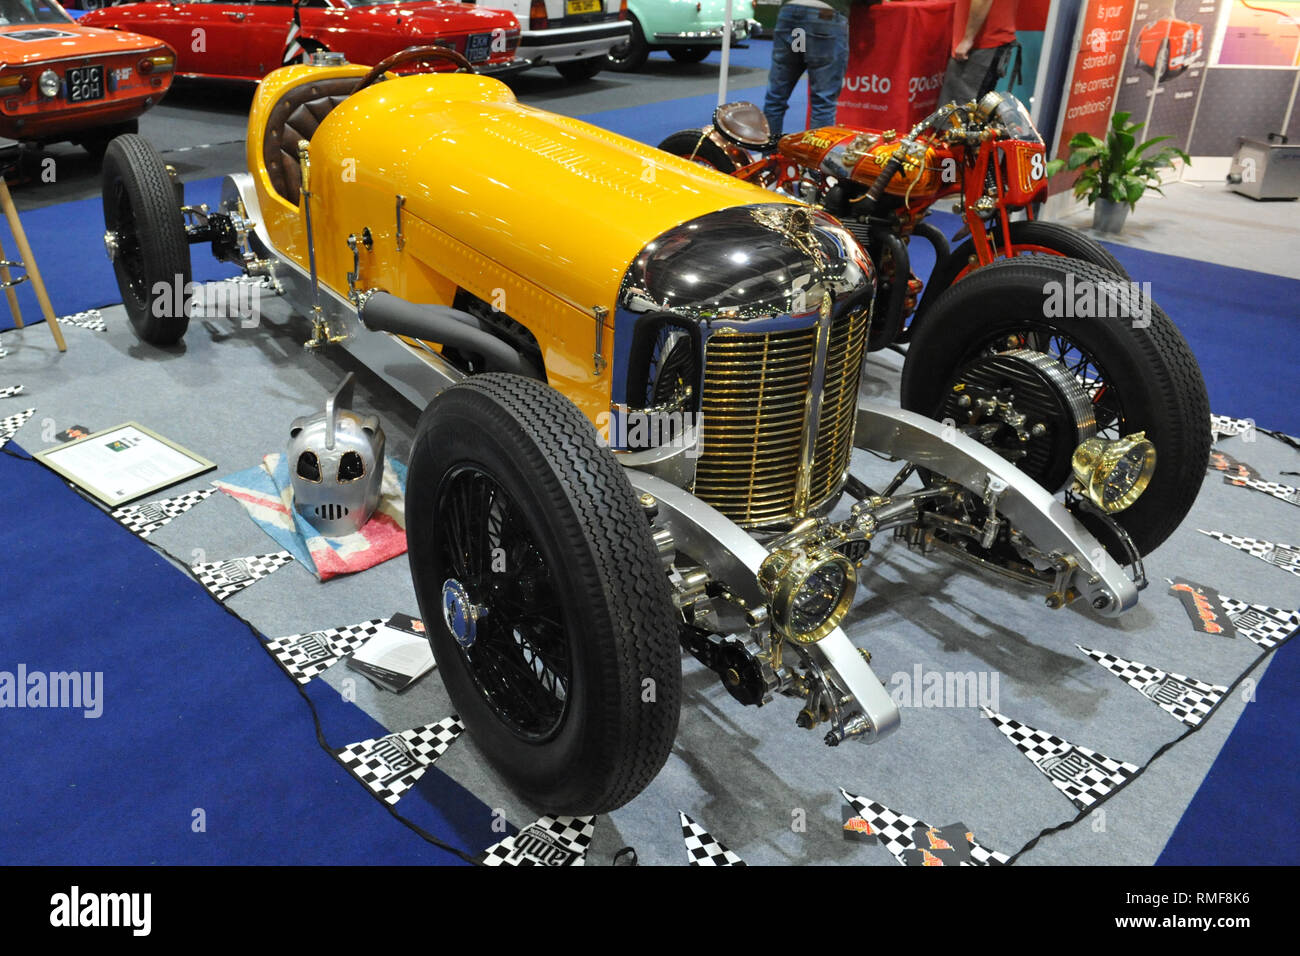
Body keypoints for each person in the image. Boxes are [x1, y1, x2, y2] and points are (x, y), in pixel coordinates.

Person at [763, 0, 852, 139]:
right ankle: (815, 151)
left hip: (790, 11)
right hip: (826, 14)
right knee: (823, 103)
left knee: (775, 98)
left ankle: (768, 151)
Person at [939, 0, 1021, 106]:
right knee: (970, 109)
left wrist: (968, 39)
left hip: (980, 46)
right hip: (987, 44)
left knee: (959, 110)